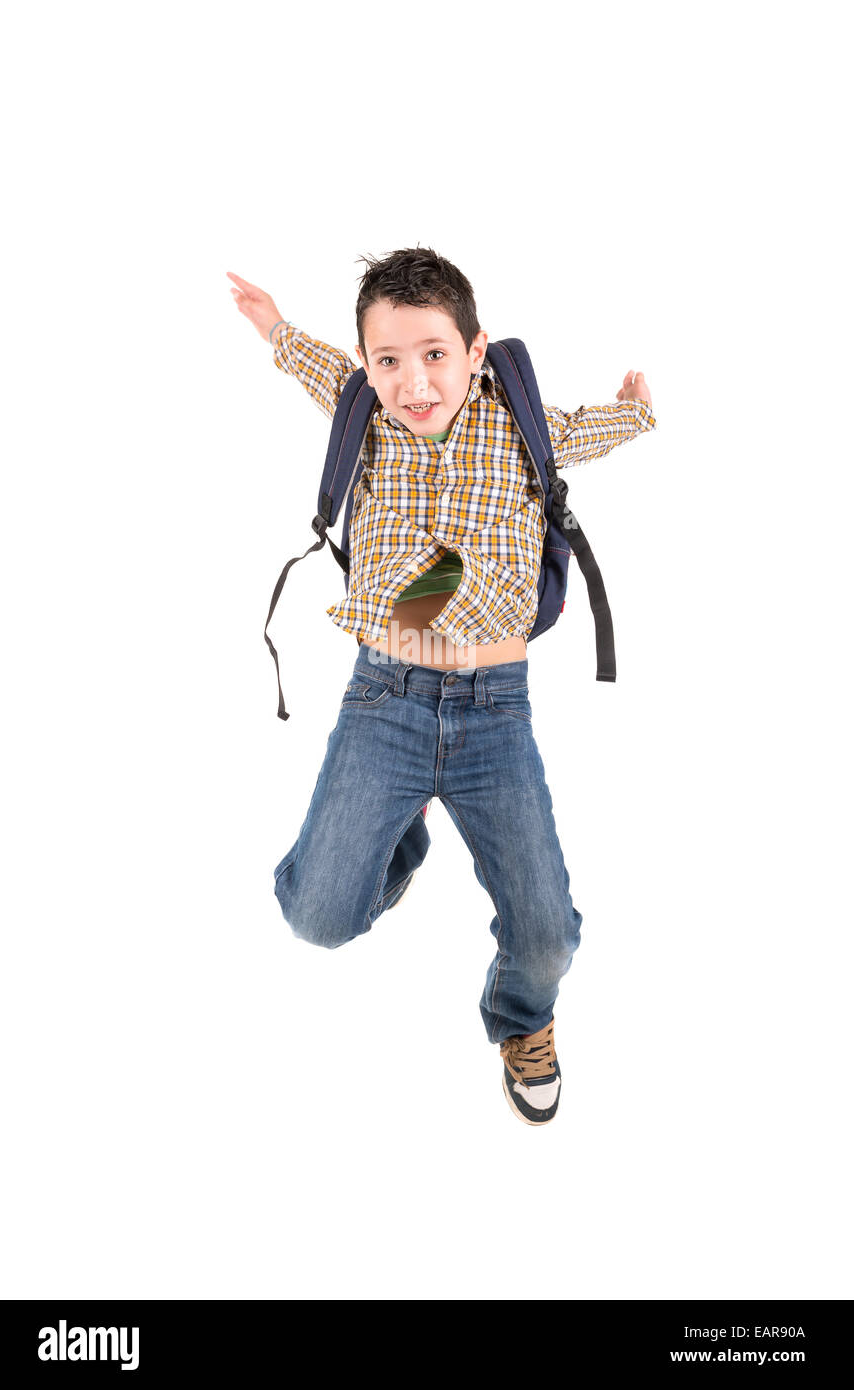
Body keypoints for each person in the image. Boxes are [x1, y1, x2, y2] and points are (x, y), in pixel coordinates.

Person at [227, 249, 656, 1125]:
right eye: (387, 361)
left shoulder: (519, 422)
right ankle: (403, 837)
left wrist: (636, 415)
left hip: (494, 712)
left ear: (475, 350)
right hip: (385, 696)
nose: (412, 382)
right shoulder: (367, 414)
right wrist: (271, 322)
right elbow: (315, 364)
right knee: (315, 918)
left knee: (548, 939)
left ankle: (520, 1023)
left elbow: (587, 429)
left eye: (433, 354)